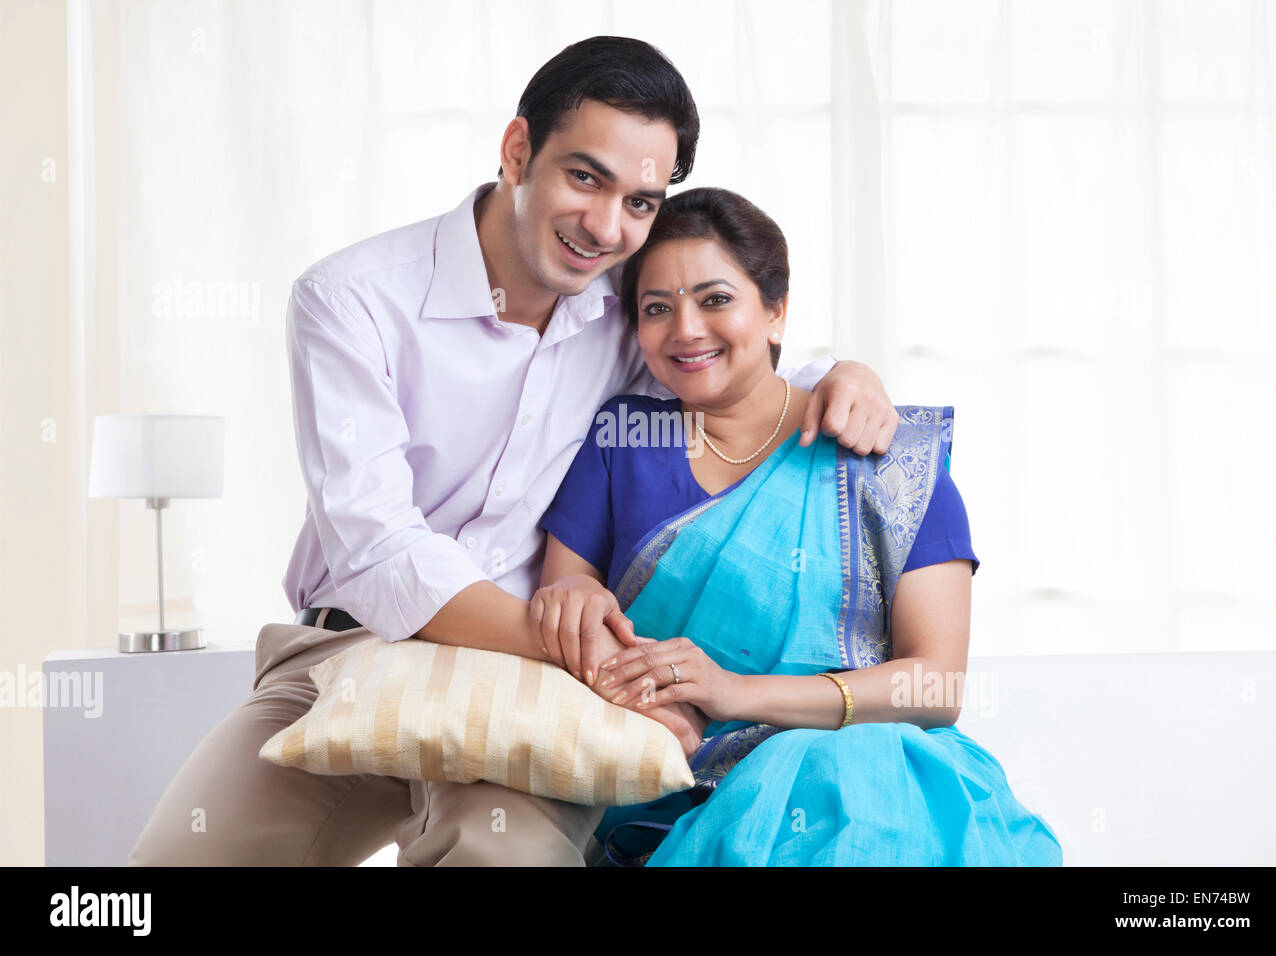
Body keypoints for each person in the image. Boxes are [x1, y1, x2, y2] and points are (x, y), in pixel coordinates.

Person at [127, 36, 899, 867]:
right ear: (517, 149)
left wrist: (839, 374)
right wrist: (585, 649)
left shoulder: (630, 310)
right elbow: (378, 547)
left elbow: (726, 358)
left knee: (509, 859)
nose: (605, 227)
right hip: (349, 651)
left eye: (641, 202)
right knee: (175, 866)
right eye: (584, 177)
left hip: (540, 689)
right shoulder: (351, 300)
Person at [533, 186, 1064, 865]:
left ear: (777, 311)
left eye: (716, 299)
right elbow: (566, 624)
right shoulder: (620, 443)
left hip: (870, 782)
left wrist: (734, 692)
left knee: (860, 777)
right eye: (657, 308)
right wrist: (578, 610)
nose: (687, 329)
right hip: (669, 791)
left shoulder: (886, 457)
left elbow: (935, 686)